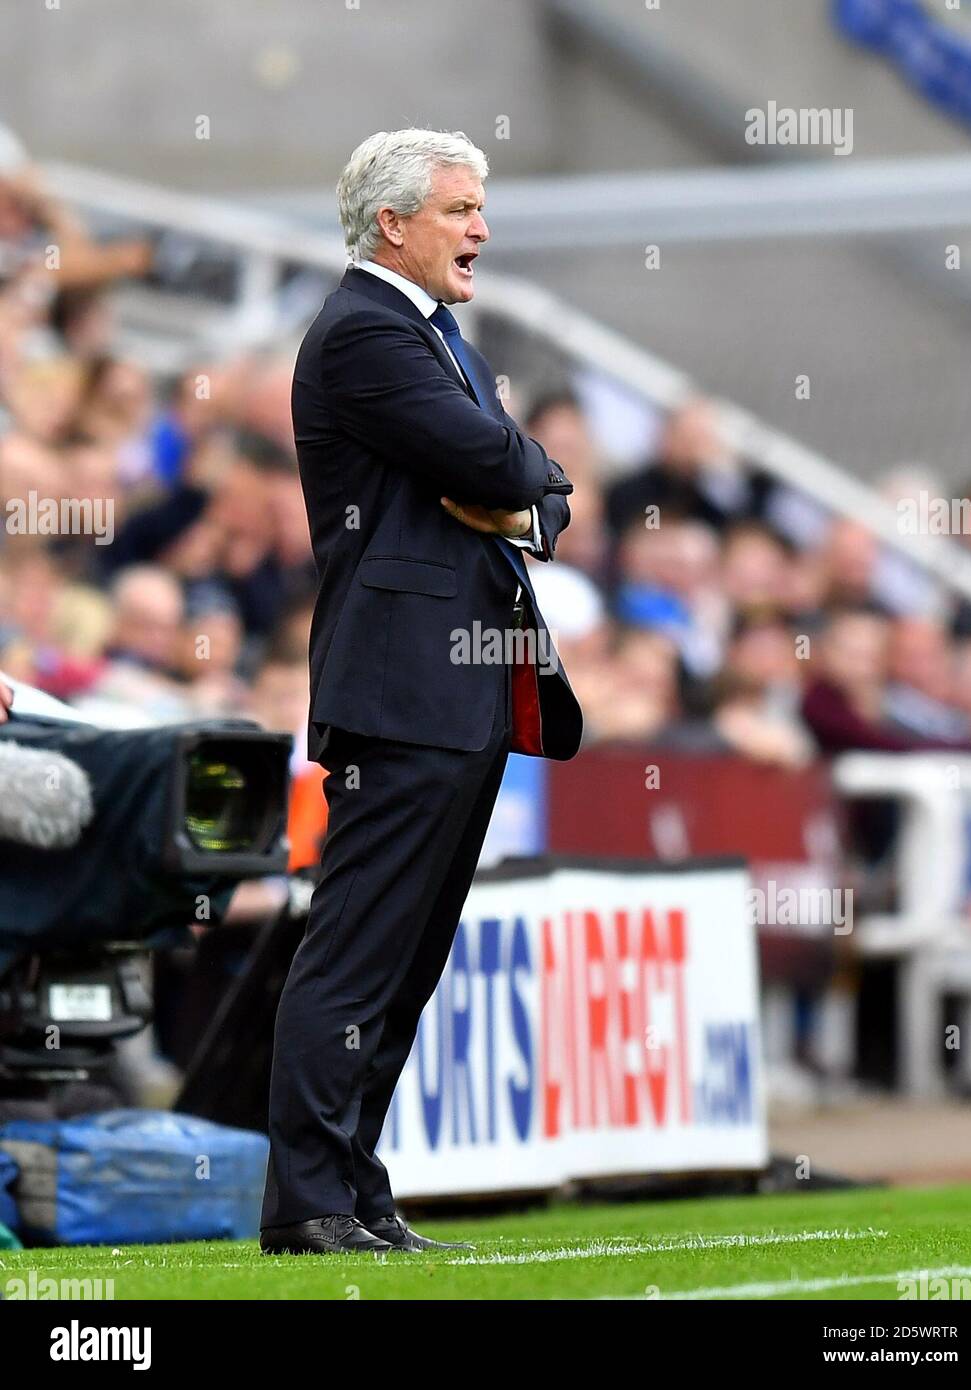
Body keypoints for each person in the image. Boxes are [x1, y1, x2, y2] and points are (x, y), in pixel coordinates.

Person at [258, 129, 583, 1257]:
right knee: (360, 945)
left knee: (407, 954)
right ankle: (307, 1198)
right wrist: (523, 486)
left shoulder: (421, 333)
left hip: (455, 690)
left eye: (479, 207)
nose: (481, 229)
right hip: (401, 684)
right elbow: (504, 465)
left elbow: (533, 481)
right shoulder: (363, 331)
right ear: (393, 222)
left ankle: (354, 1184)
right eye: (460, 209)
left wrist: (527, 491)